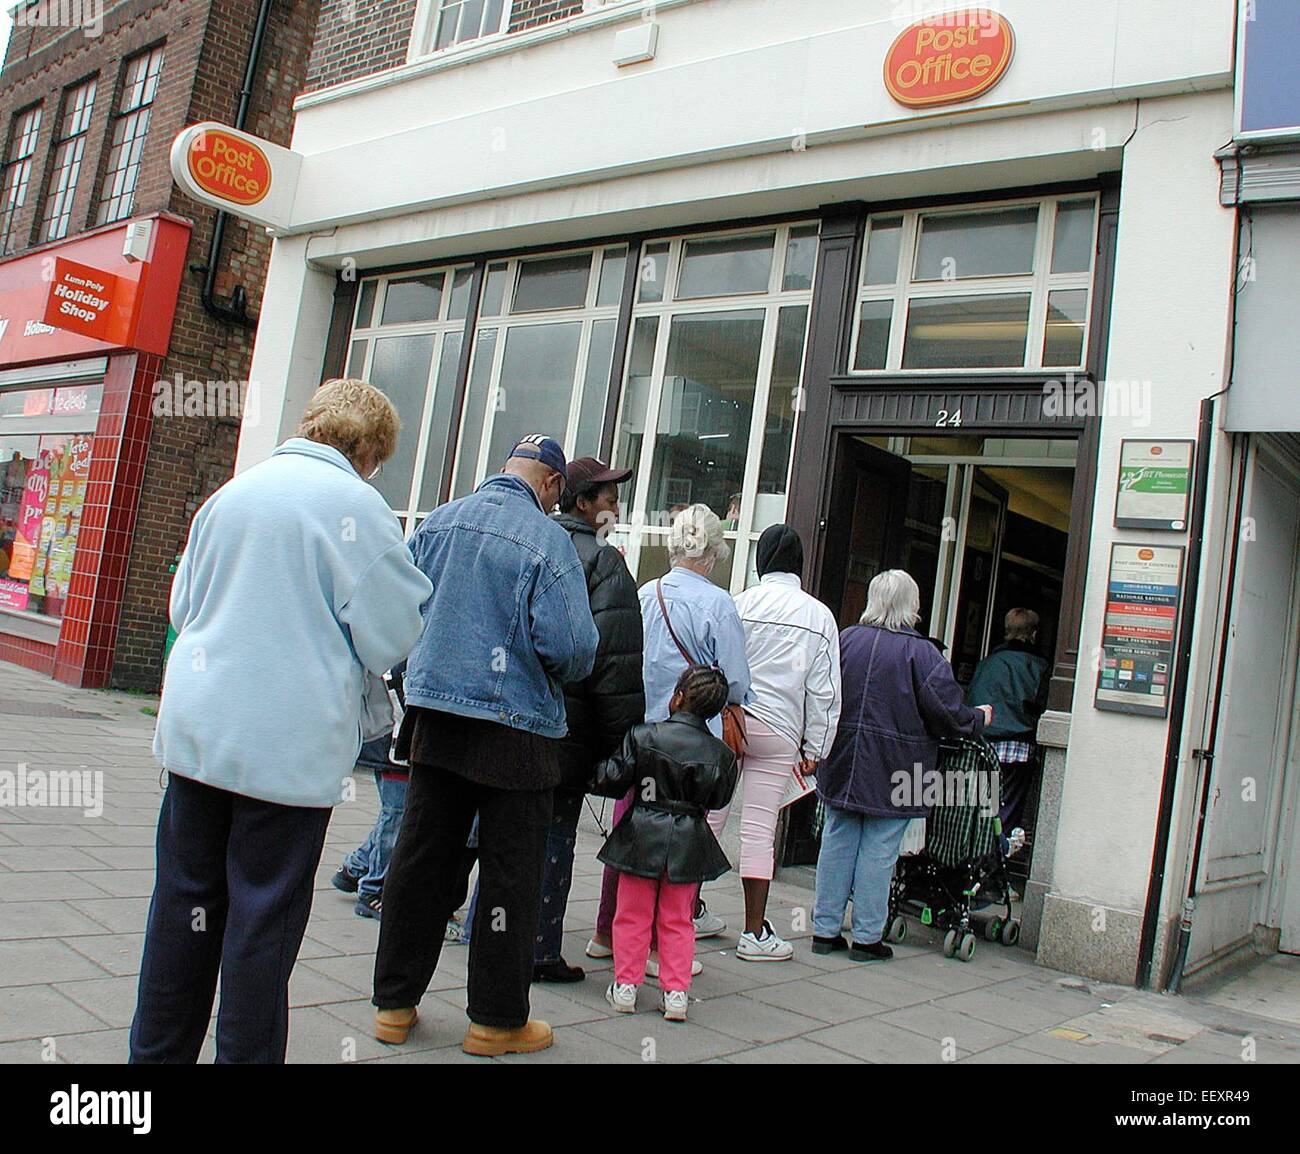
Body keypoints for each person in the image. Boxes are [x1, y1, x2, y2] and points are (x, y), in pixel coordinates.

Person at [131, 379, 432, 1063]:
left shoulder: (233, 493)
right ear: (370, 448)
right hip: (286, 757)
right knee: (259, 932)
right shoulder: (358, 510)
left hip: (198, 741)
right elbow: (392, 636)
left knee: (180, 915)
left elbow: (183, 609)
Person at [371, 435, 598, 1058]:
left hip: (436, 723)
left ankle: (394, 1005)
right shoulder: (548, 540)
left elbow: (401, 614)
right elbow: (574, 649)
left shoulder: (439, 521)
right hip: (516, 733)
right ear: (551, 485)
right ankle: (495, 1023)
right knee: (510, 878)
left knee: (420, 865)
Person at [587, 503, 751, 961]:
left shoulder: (645, 593)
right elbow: (735, 682)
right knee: (682, 842)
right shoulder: (718, 604)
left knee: (626, 829)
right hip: (693, 744)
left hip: (643, 732)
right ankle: (663, 949)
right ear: (714, 552)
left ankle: (606, 932)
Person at [813, 569, 992, 963]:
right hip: (899, 769)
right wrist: (979, 718)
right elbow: (948, 712)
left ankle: (824, 930)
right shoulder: (922, 654)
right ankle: (866, 938)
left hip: (843, 756)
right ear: (912, 606)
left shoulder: (846, 640)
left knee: (837, 838)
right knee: (880, 850)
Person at [535, 458, 645, 984]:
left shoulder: (532, 541)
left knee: (501, 829)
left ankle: (481, 932)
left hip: (512, 720)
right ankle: (537, 949)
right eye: (607, 496)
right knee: (554, 837)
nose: (616, 506)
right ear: (581, 502)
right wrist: (623, 749)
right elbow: (615, 668)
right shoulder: (604, 563)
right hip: (566, 734)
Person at [594, 666, 739, 1021]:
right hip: (689, 838)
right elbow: (719, 800)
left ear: (677, 697)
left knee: (631, 913)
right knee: (678, 919)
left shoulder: (644, 736)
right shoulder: (722, 754)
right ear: (716, 710)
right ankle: (676, 992)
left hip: (641, 833)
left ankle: (626, 985)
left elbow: (612, 777)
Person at [729, 524, 842, 961]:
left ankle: (688, 912)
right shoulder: (819, 616)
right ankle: (753, 932)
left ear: (760, 562)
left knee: (710, 819)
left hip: (733, 723)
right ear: (799, 564)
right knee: (759, 829)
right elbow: (826, 692)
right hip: (780, 731)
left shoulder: (739, 602)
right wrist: (817, 747)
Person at [966, 607, 1052, 844]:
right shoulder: (1041, 666)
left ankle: (977, 853)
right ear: (1033, 634)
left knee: (983, 806)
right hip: (1019, 746)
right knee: (1007, 811)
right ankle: (997, 855)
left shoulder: (988, 663)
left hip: (984, 744)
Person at [332, 667, 411, 919]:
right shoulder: (404, 653)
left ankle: (355, 867)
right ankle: (372, 891)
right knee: (395, 817)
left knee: (396, 815)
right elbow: (395, 691)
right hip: (393, 747)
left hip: (393, 746)